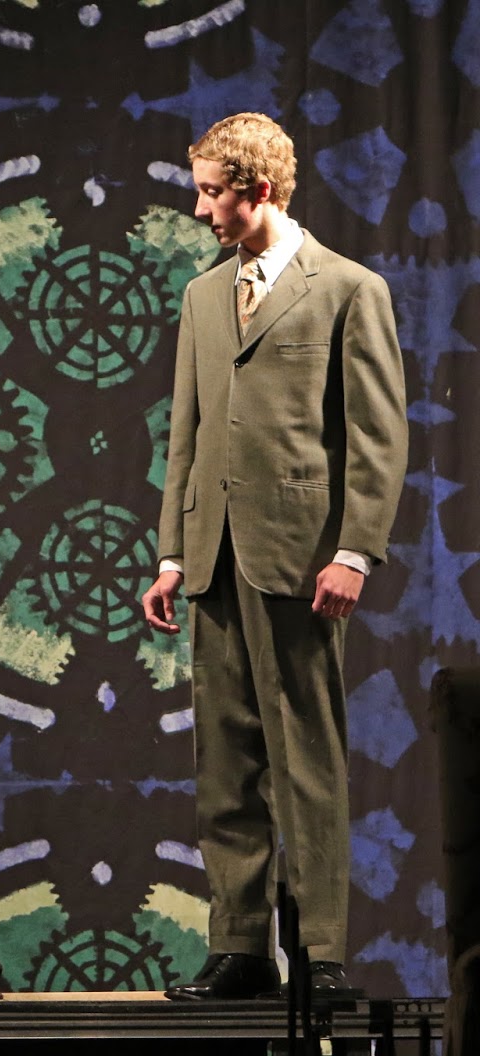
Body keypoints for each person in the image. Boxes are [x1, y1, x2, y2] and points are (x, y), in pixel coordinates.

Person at [142, 113, 407, 1001]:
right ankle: (242, 945)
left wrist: (357, 551)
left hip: (300, 560)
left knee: (306, 758)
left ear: (258, 189)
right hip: (215, 558)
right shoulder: (203, 297)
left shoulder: (346, 288)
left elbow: (376, 435)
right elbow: (189, 434)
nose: (200, 207)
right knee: (225, 759)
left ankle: (322, 951)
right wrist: (172, 555)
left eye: (212, 191)